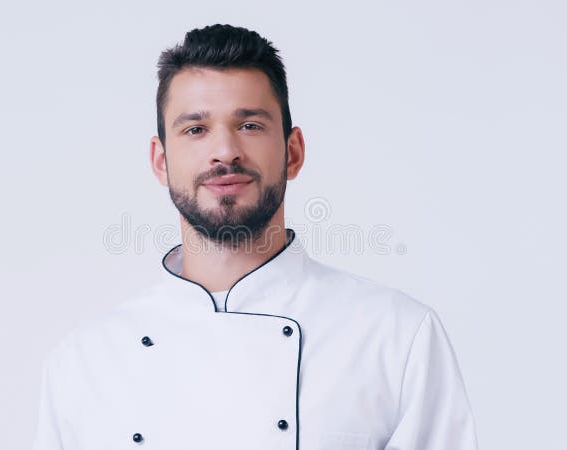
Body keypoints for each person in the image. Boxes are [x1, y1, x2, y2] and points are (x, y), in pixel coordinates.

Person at [33, 24, 479, 450]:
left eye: (250, 125)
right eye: (195, 129)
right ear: (160, 161)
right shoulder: (83, 363)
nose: (225, 151)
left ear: (293, 152)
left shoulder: (396, 338)